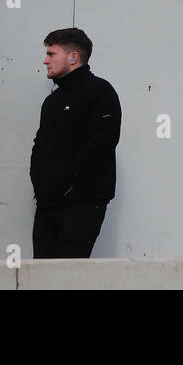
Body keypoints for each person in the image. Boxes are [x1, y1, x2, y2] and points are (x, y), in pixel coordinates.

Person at [30, 28, 122, 258]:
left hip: (82, 203)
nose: (45, 60)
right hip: (47, 205)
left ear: (73, 57)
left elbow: (103, 142)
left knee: (69, 276)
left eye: (51, 54)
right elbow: (40, 146)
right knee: (41, 277)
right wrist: (40, 184)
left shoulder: (100, 91)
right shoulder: (52, 101)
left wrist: (69, 183)